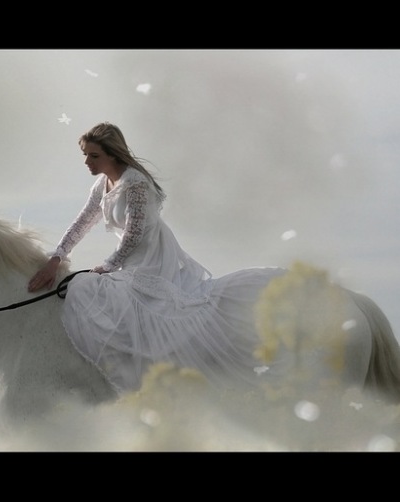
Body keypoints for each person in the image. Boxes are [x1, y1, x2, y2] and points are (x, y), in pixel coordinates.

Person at [28, 122, 286, 394]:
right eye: (85, 155)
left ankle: (136, 375)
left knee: (99, 292)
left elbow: (134, 233)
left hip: (151, 257)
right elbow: (82, 222)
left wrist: (107, 266)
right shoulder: (101, 185)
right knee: (91, 290)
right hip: (128, 258)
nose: (86, 162)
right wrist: (57, 257)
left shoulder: (135, 183)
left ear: (112, 154)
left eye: (94, 155)